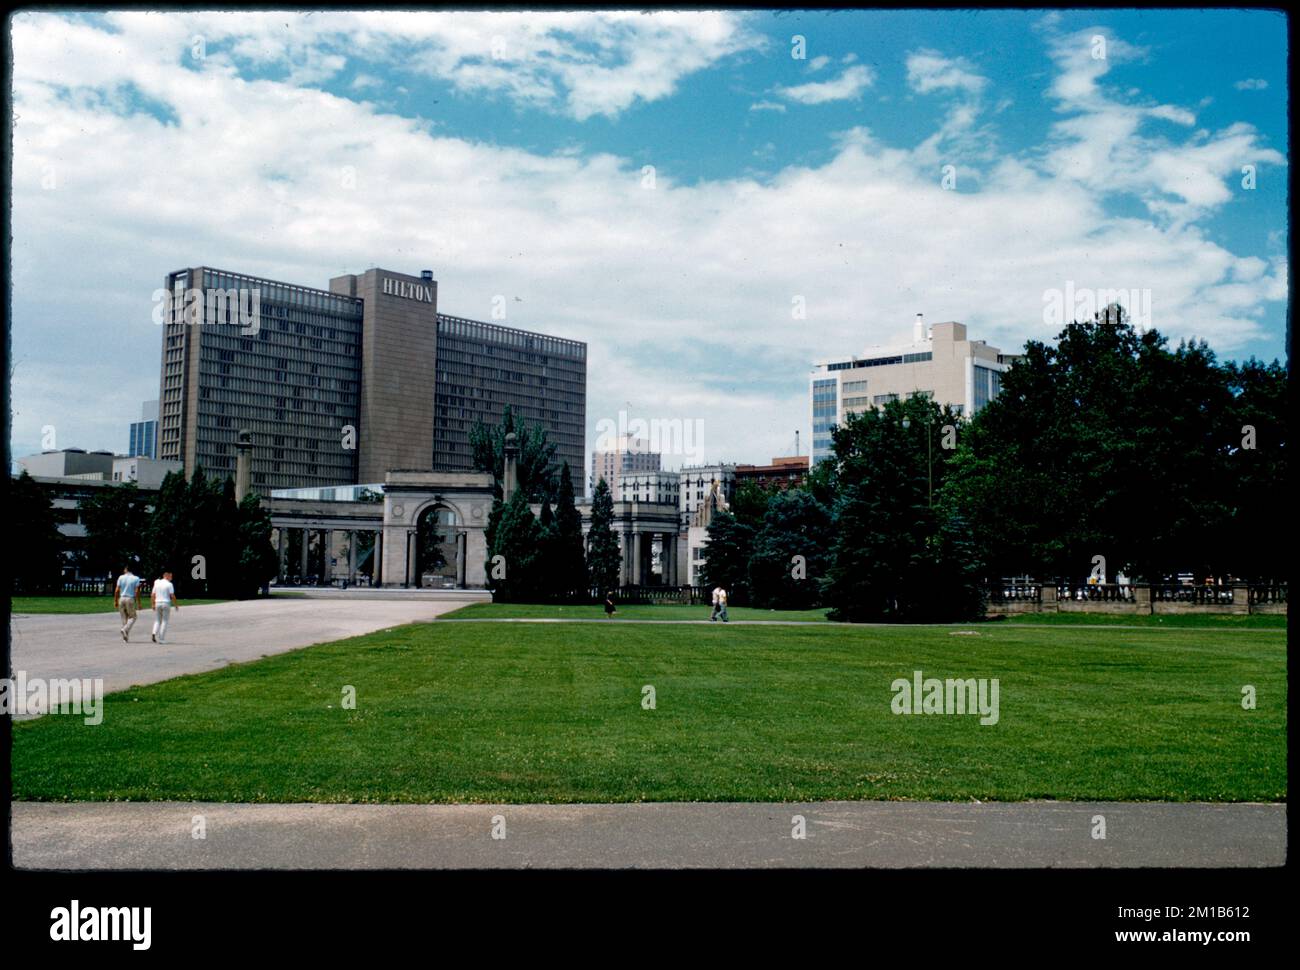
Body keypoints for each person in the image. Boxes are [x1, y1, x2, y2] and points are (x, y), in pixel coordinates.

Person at [151, 569, 181, 643]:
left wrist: (153, 604)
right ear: (166, 576)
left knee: (157, 620)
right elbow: (172, 595)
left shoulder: (157, 583)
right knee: (164, 621)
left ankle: (154, 633)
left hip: (157, 603)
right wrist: (176, 605)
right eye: (170, 576)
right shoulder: (169, 584)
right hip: (166, 603)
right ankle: (161, 639)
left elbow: (153, 594)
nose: (171, 578)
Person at [114, 564, 142, 642]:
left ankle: (125, 638)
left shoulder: (121, 577)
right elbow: (137, 591)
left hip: (122, 598)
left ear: (126, 569)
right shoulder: (136, 578)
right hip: (130, 599)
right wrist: (139, 602)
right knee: (133, 617)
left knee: (124, 618)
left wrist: (115, 600)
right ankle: (124, 629)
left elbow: (116, 590)